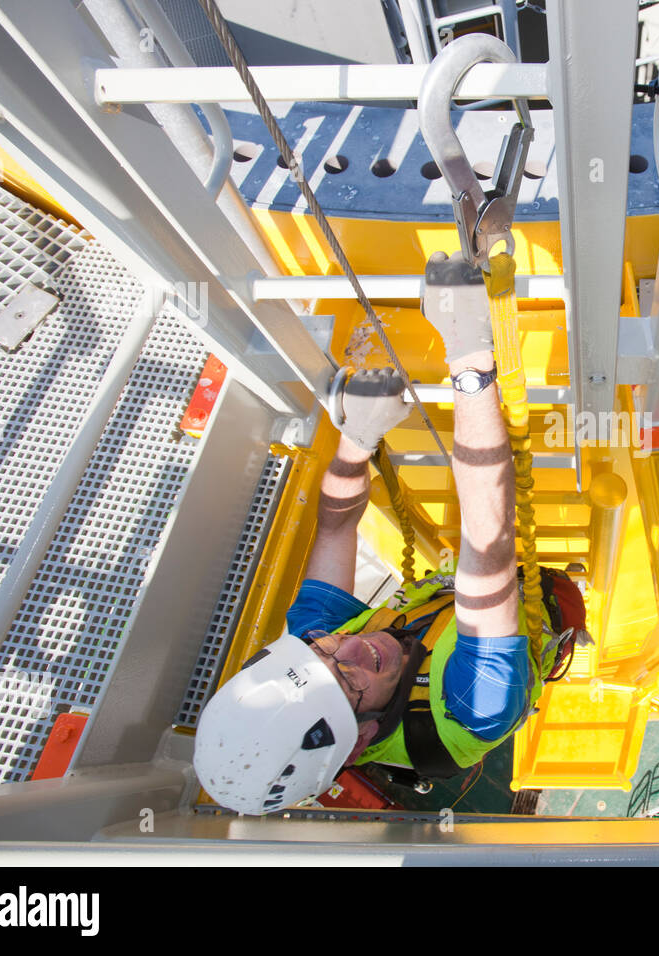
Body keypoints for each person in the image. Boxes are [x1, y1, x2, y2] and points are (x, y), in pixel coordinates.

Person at [193, 252, 577, 814]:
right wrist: (469, 356)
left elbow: (334, 528)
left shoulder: (313, 655)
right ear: (365, 737)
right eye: (350, 683)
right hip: (525, 599)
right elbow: (488, 537)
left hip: (446, 604)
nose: (351, 647)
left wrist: (356, 441)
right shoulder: (476, 706)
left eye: (323, 649)